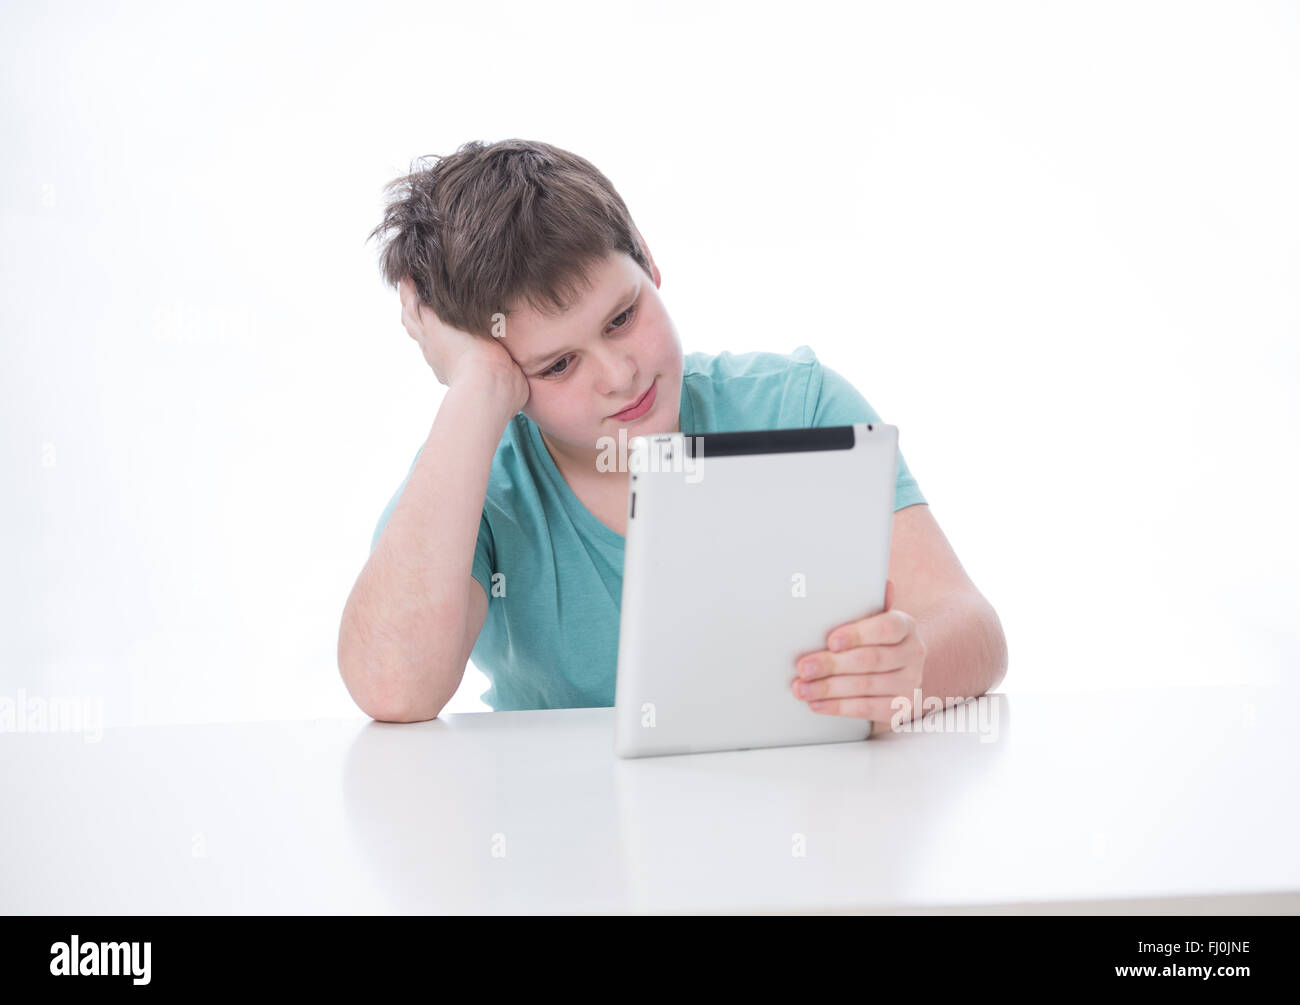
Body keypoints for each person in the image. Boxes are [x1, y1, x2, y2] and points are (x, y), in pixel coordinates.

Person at [337, 138, 1006, 730]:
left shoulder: (802, 407)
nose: (619, 374)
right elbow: (394, 687)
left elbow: (971, 626)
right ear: (507, 374)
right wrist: (473, 388)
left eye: (622, 317)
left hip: (800, 824)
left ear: (648, 263)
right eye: (559, 364)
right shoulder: (476, 485)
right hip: (569, 845)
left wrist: (913, 666)